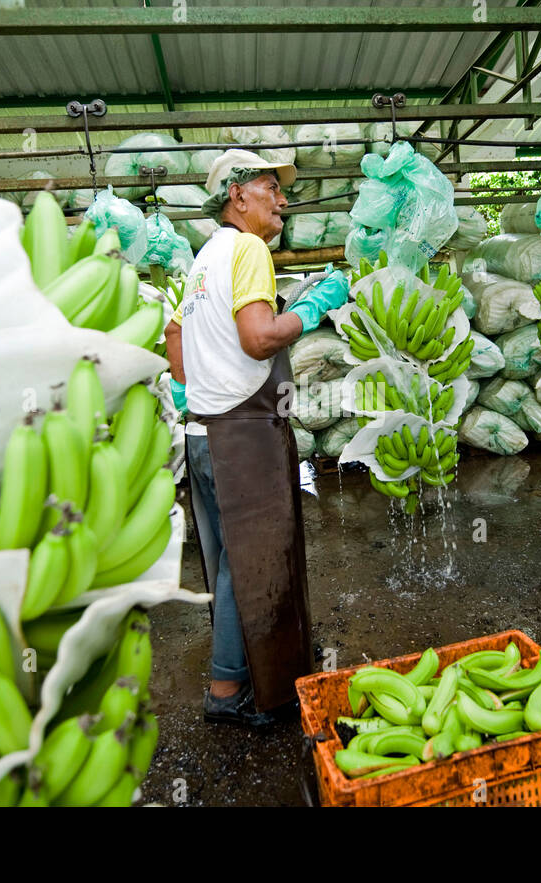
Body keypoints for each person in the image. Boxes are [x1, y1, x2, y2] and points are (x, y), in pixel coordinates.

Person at [163, 149, 350, 726]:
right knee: (254, 568)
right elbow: (259, 339)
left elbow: (174, 340)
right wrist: (312, 308)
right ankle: (230, 695)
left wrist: (206, 384)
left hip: (204, 433)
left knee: (225, 560)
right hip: (245, 439)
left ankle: (234, 682)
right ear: (238, 196)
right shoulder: (247, 249)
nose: (284, 199)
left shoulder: (203, 260)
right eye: (273, 187)